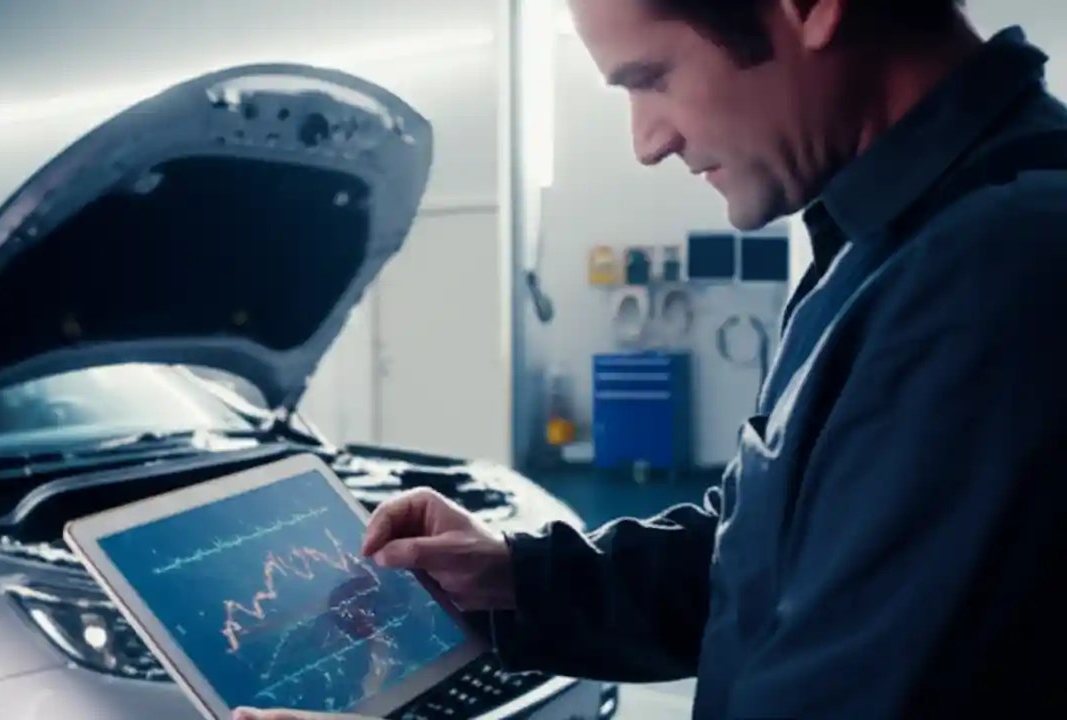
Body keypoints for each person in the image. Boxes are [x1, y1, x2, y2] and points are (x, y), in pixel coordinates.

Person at [235, 0, 1067, 717]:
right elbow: (770, 561)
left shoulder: (995, 276)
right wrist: (516, 578)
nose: (647, 141)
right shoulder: (888, 244)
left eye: (652, 78)